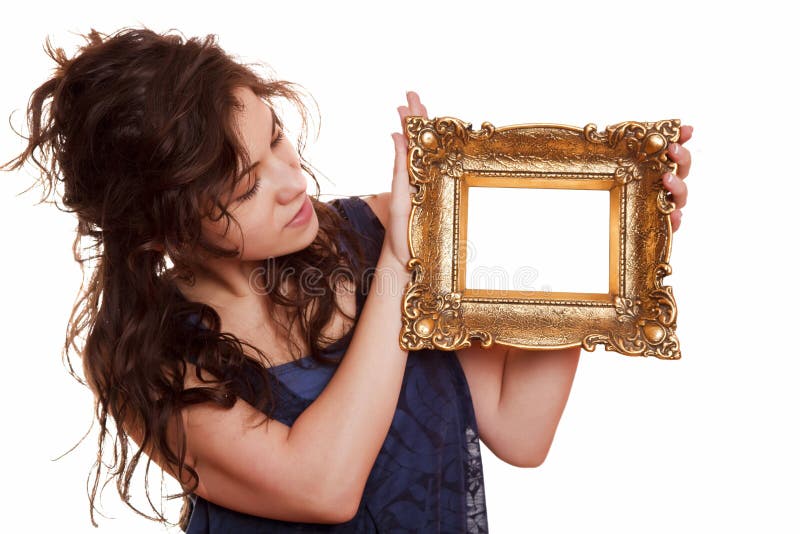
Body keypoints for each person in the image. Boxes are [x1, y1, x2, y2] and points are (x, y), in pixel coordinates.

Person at [1, 27, 693, 533]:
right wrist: (400, 262)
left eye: (276, 138)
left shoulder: (373, 230)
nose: (292, 180)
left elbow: (520, 428)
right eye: (246, 189)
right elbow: (323, 485)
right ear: (164, 232)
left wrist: (609, 242)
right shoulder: (146, 357)